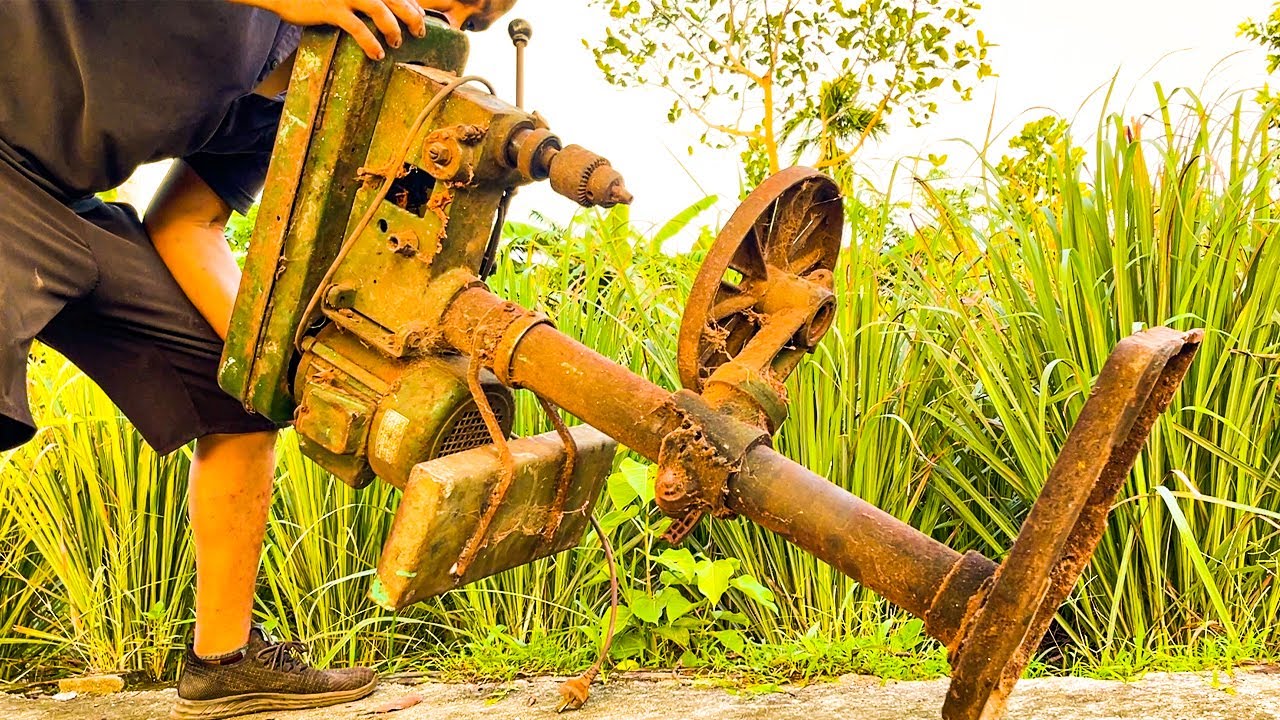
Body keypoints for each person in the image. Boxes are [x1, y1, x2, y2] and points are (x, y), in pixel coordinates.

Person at [0, 1, 516, 718]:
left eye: (476, 18)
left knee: (242, 396)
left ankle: (226, 661)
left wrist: (287, 364)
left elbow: (188, 225)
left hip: (64, 200)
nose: (453, 13)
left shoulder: (287, 109)